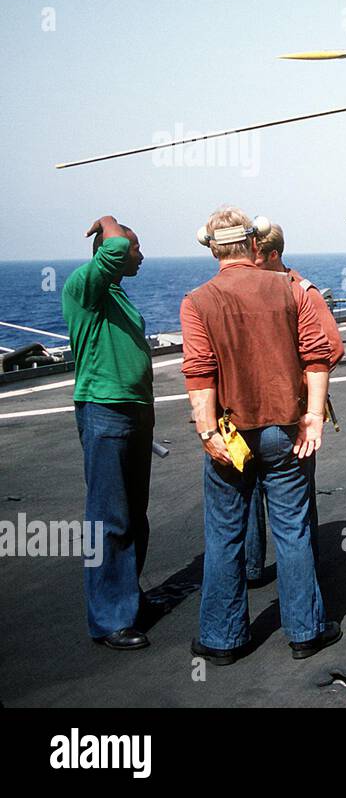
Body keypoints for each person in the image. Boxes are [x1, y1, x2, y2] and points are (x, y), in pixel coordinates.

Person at [181, 207, 341, 664]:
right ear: (255, 244)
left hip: (230, 435)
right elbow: (318, 356)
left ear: (212, 248)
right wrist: (312, 418)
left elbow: (199, 373)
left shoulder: (197, 300)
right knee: (293, 532)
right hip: (287, 432)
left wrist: (207, 431)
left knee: (225, 535)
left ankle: (221, 639)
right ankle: (306, 632)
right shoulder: (293, 289)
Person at [61, 215, 153, 650]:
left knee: (134, 516)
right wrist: (109, 221)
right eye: (135, 248)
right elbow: (113, 249)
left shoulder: (115, 295)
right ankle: (110, 619)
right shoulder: (86, 286)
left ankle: (128, 602)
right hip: (105, 412)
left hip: (131, 413)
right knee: (109, 520)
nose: (139, 255)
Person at [244, 223, 345, 585]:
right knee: (249, 490)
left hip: (293, 414)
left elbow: (332, 347)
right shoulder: (253, 293)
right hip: (250, 413)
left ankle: (308, 569)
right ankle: (251, 567)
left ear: (272, 255)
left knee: (298, 495)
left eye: (254, 256)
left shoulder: (301, 292)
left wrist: (299, 389)